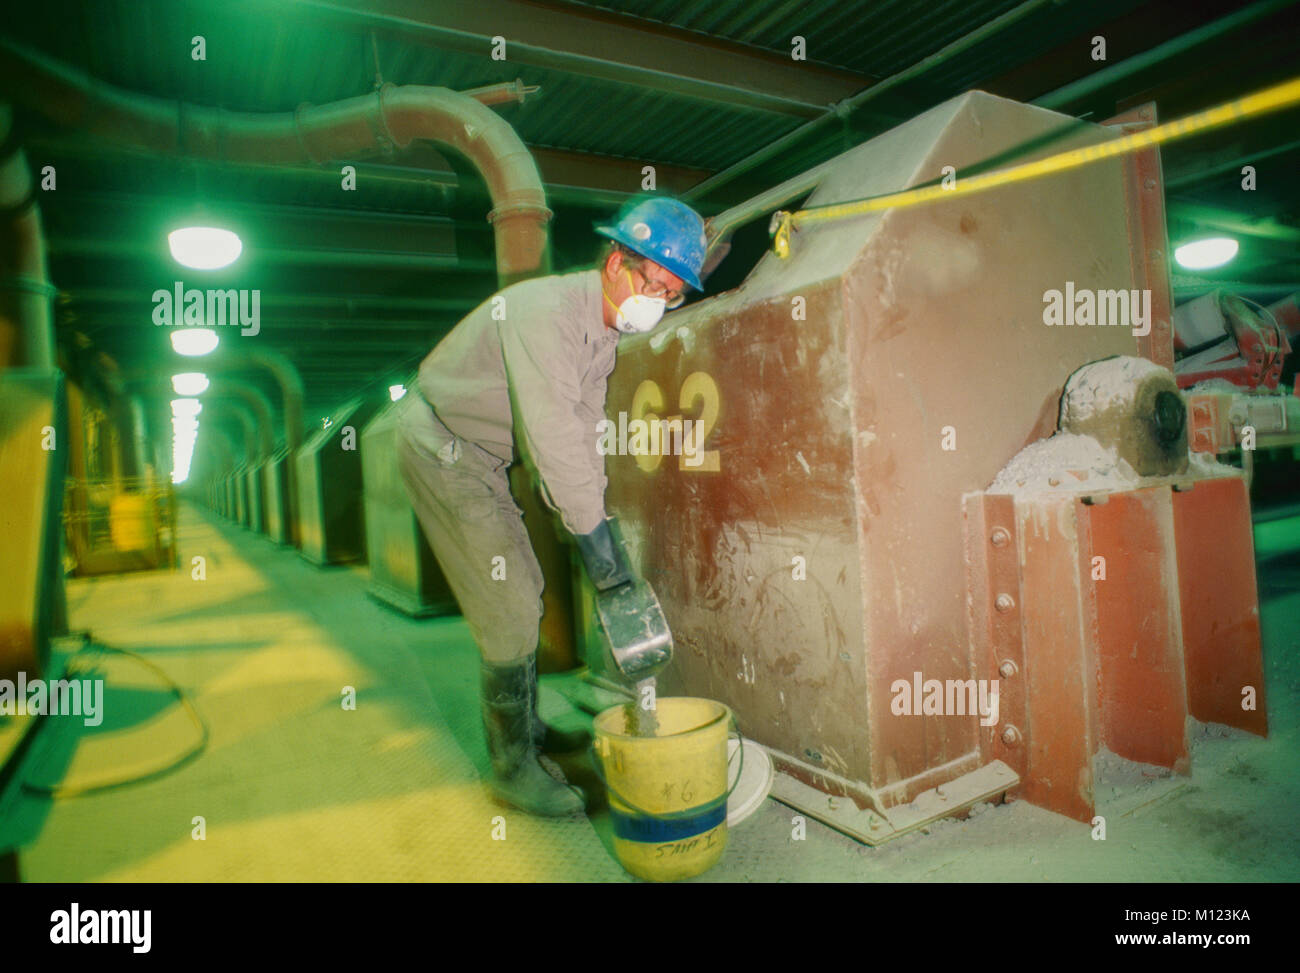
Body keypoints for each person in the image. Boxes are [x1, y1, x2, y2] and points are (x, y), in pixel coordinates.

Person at [396, 196, 708, 816]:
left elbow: (582, 434)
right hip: (443, 445)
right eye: (655, 283)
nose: (658, 302)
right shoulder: (547, 312)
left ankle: (529, 730)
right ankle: (511, 769)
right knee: (510, 601)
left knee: (525, 585)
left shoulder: (605, 338)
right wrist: (606, 565)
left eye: (672, 295)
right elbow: (553, 439)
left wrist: (596, 532)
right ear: (617, 262)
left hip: (484, 452)